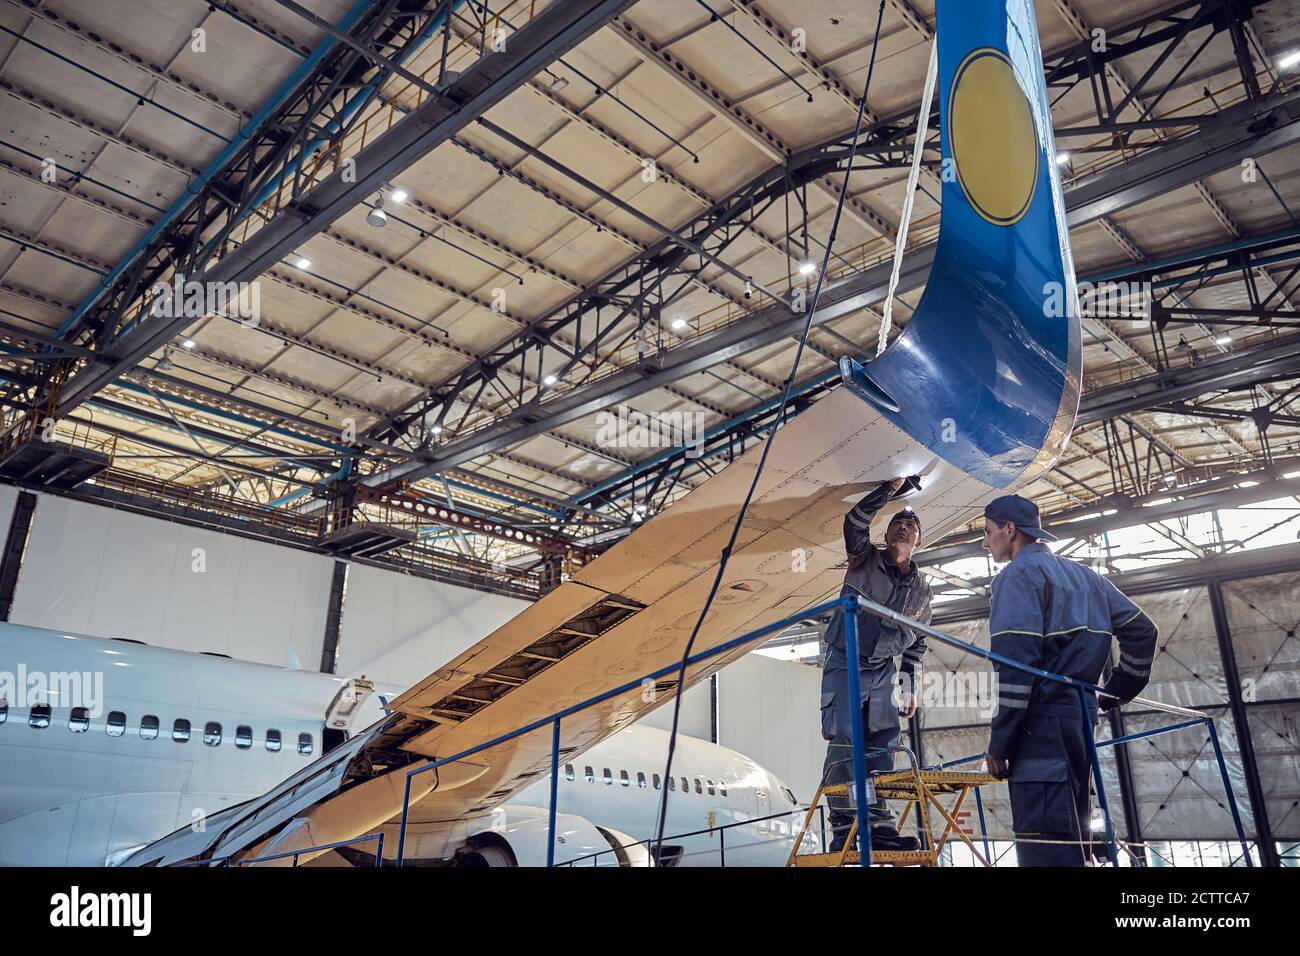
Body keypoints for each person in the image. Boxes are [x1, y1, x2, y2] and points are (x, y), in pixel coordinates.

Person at [980, 494, 1158, 867]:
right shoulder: (1087, 576)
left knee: (1045, 842)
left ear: (1009, 530)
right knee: (1075, 836)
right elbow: (1142, 631)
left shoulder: (1015, 578)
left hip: (1039, 729)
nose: (985, 542)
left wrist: (999, 743)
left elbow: (1016, 667)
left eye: (988, 532)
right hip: (1081, 722)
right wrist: (1115, 692)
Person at [819, 477, 932, 853]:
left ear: (918, 541)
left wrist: (910, 684)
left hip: (882, 670)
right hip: (845, 660)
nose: (904, 526)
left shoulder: (921, 590)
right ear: (886, 534)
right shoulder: (863, 559)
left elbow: (918, 641)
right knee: (846, 741)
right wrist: (889, 490)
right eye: (898, 523)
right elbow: (854, 522)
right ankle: (844, 825)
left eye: (911, 526)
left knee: (883, 746)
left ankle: (878, 823)